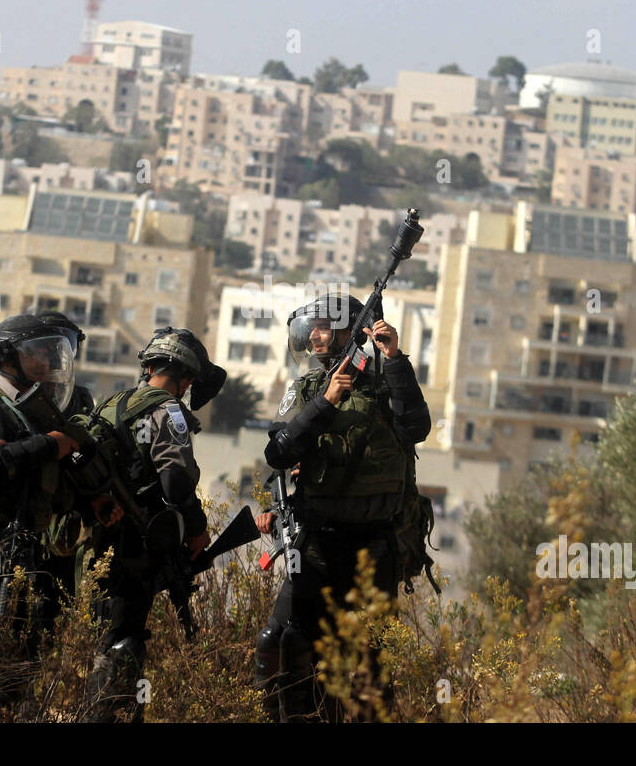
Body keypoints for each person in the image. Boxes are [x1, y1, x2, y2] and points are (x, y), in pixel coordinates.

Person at [255, 293, 431, 722]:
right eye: (310, 327)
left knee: (370, 663)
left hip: (374, 546)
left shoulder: (387, 381)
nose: (314, 336)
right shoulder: (307, 388)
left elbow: (417, 426)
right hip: (316, 541)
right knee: (281, 641)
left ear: (349, 331)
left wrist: (394, 357)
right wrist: (327, 401)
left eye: (324, 326)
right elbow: (278, 452)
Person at [82, 327, 226, 722]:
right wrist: (197, 528)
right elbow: (176, 482)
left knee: (105, 635)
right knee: (124, 639)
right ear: (185, 376)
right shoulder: (168, 409)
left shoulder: (111, 402)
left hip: (98, 540)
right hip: (136, 544)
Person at [0, 314, 80, 642]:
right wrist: (50, 444)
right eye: (36, 351)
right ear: (8, 356)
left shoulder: (34, 411)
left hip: (21, 544)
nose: (46, 359)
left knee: (21, 647)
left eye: (50, 351)